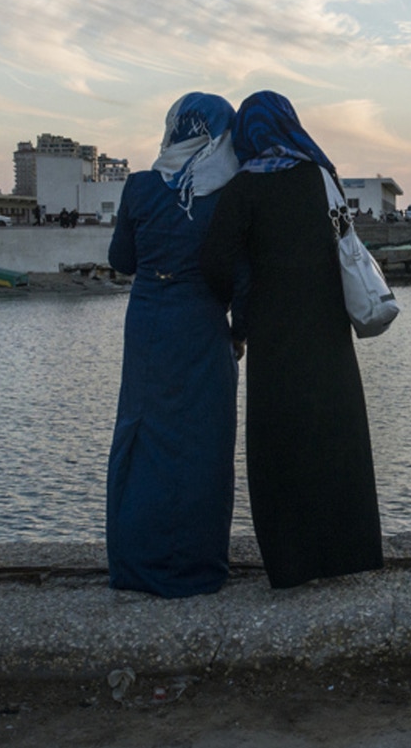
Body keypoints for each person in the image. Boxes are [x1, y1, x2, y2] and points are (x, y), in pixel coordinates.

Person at [200, 90, 384, 590]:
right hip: (327, 332)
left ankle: (290, 562)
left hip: (273, 337)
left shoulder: (243, 190)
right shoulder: (320, 176)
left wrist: (238, 321)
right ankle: (348, 551)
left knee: (279, 445)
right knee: (334, 438)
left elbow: (216, 263)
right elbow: (343, 243)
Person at [106, 92, 244, 598]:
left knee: (143, 435)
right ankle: (192, 566)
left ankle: (134, 563)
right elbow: (234, 273)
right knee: (200, 442)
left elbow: (122, 259)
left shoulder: (140, 186)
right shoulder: (226, 191)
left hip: (146, 322)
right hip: (203, 322)